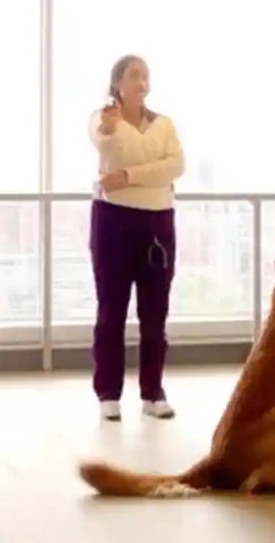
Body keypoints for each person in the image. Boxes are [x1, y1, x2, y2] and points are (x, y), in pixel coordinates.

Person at [88, 55, 184, 422]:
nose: (141, 82)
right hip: (112, 220)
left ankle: (152, 392)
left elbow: (175, 167)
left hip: (157, 222)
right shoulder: (103, 119)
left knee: (155, 311)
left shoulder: (165, 125)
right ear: (118, 84)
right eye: (133, 76)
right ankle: (108, 392)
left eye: (145, 76)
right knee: (111, 308)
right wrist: (149, 170)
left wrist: (126, 176)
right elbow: (106, 143)